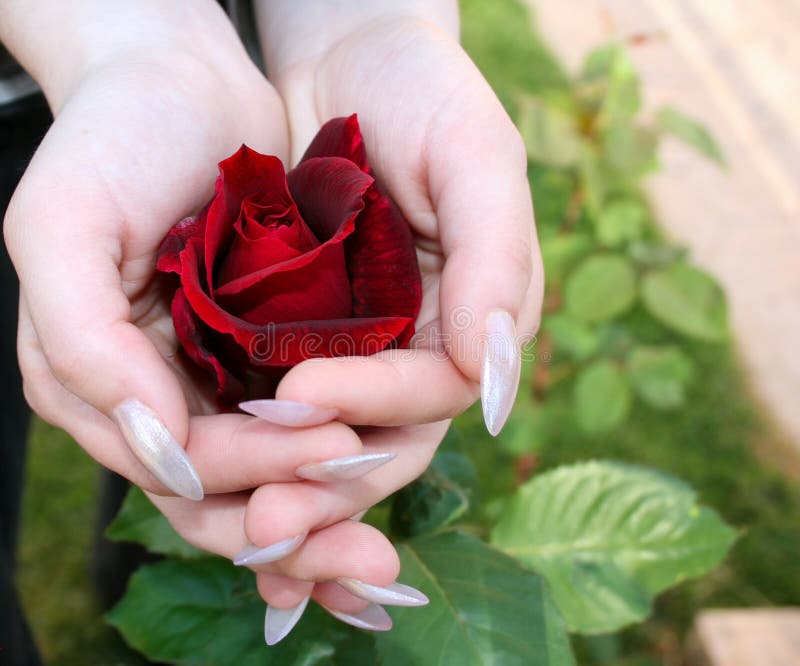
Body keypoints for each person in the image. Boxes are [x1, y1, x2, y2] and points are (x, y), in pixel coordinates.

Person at [0, 0, 543, 657]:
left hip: (236, 68)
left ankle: (129, 592)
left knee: (163, 434)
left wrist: (365, 25)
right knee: (145, 408)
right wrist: (122, 40)